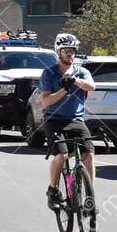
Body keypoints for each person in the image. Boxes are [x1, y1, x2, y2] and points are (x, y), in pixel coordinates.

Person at [38, 32, 95, 210]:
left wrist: (75, 81)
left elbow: (92, 86)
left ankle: (89, 196)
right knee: (62, 155)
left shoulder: (82, 72)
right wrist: (64, 89)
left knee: (89, 154)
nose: (70, 54)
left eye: (72, 50)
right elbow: (46, 101)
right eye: (66, 50)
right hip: (54, 120)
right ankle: (53, 190)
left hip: (76, 119)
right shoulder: (49, 73)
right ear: (58, 52)